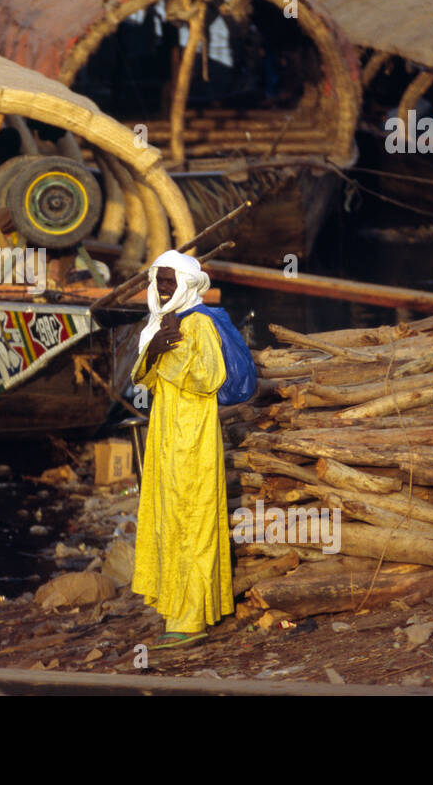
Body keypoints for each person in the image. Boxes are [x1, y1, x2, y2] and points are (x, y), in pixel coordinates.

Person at [130, 251, 233, 649]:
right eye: (160, 281)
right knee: (169, 518)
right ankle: (176, 607)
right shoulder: (162, 325)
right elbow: (145, 381)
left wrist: (166, 354)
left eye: (170, 282)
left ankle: (191, 619)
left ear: (187, 285)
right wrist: (155, 348)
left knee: (193, 519)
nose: (163, 288)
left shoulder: (201, 323)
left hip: (193, 436)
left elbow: (210, 377)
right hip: (164, 435)